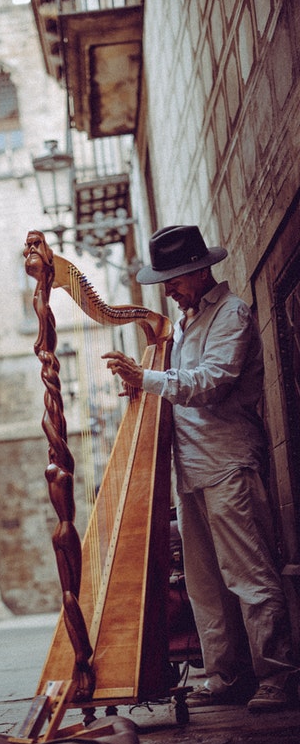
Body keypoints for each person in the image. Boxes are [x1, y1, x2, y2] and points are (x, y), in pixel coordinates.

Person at [102, 225, 297, 712]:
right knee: (205, 584)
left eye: (173, 279)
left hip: (227, 462)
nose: (168, 289)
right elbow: (181, 385)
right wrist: (144, 386)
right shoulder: (187, 323)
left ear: (200, 271)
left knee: (249, 574)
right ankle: (226, 676)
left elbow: (211, 383)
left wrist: (148, 378)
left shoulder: (231, 314)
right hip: (190, 469)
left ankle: (279, 675)